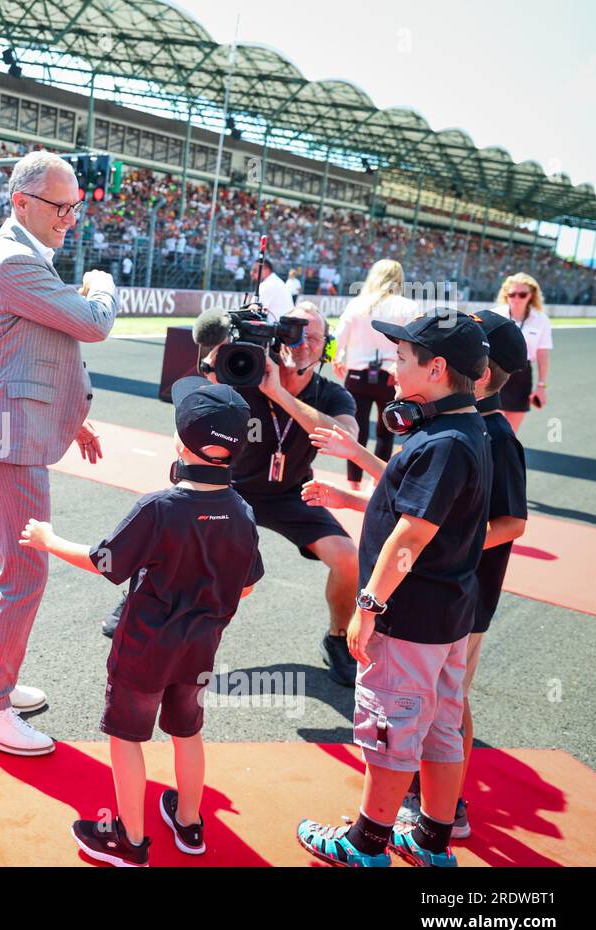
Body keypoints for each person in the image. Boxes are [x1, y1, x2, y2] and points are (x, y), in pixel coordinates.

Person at [21, 378, 263, 866]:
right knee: (187, 730)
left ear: (181, 443)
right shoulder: (242, 511)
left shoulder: (160, 507)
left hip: (145, 646)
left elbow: (105, 562)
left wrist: (48, 539)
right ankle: (190, 823)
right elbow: (247, 584)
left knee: (128, 737)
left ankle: (129, 841)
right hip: (200, 647)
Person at [311, 311, 528, 840]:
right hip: (447, 611)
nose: (392, 367)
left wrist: (367, 607)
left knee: (390, 725)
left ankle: (367, 840)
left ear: (436, 369)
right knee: (439, 725)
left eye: (403, 358)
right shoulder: (462, 428)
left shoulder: (446, 440)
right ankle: (432, 835)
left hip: (412, 615)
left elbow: (411, 537)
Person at [0, 150, 117, 757]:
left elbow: (37, 351)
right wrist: (99, 285)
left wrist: (74, 418)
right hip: (10, 430)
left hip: (10, 424)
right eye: (61, 205)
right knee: (24, 568)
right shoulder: (15, 260)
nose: (71, 217)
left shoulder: (21, 256)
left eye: (75, 206)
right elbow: (91, 324)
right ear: (21, 201)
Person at [201, 304, 362, 686]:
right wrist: (214, 354)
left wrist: (277, 393)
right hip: (234, 489)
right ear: (276, 336)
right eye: (293, 331)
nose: (302, 342)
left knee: (348, 559)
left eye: (314, 336)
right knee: (180, 534)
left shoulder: (332, 394)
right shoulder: (244, 373)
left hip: (293, 493)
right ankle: (137, 600)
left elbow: (346, 440)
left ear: (326, 347)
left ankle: (337, 638)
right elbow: (194, 400)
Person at [333, 259, 418, 489]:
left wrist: (335, 358)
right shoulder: (407, 306)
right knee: (386, 432)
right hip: (391, 376)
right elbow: (414, 344)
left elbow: (336, 338)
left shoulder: (357, 304)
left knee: (356, 431)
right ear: (399, 279)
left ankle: (353, 483)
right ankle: (378, 480)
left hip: (357, 375)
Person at [493, 272, 552, 433]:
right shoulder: (496, 315)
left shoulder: (541, 320)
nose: (516, 298)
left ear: (531, 296)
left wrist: (541, 386)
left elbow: (542, 354)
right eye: (512, 294)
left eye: (522, 294)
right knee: (489, 427)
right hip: (495, 373)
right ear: (506, 295)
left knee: (510, 432)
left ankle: (505, 457)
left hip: (522, 375)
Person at [250, 256, 294, 321]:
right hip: (283, 325)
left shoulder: (268, 284)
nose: (252, 273)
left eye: (255, 270)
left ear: (266, 270)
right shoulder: (275, 281)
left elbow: (252, 310)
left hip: (277, 327)